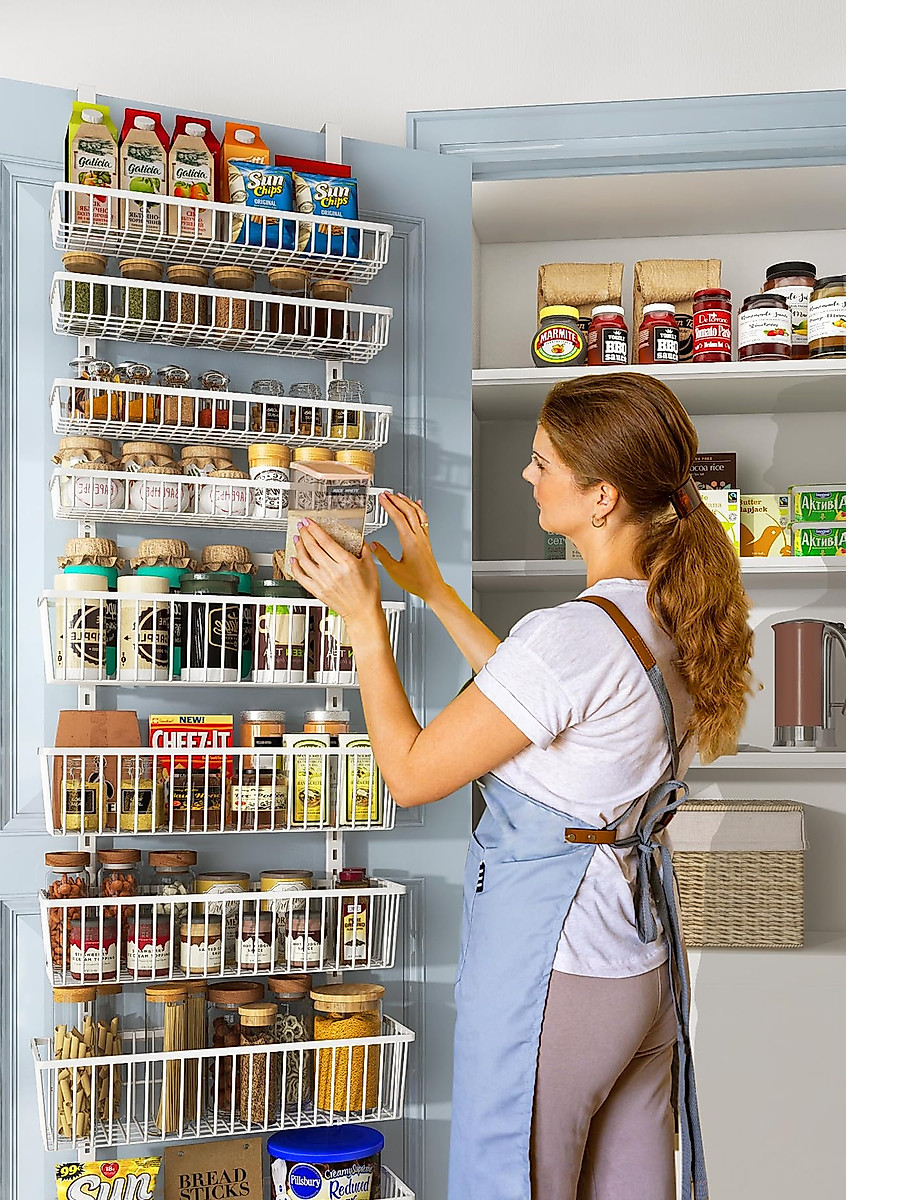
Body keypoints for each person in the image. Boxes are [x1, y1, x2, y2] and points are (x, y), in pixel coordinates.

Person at [288, 372, 754, 1200]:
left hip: (559, 976)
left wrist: (364, 623)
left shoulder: (573, 634)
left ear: (602, 495)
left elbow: (408, 773)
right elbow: (536, 697)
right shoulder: (664, 616)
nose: (527, 476)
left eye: (543, 463)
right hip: (640, 972)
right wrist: (431, 591)